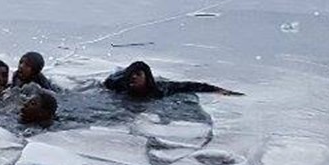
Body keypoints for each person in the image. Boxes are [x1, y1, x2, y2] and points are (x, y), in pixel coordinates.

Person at [101, 60, 244, 99]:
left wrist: (218, 90)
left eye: (138, 74)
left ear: (146, 77)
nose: (133, 77)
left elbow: (189, 86)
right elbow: (107, 83)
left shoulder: (160, 89)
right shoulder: (118, 85)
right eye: (131, 75)